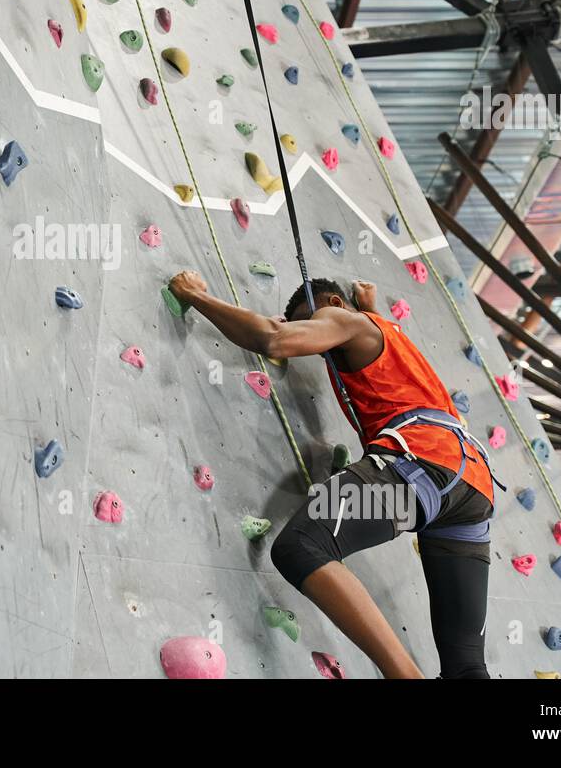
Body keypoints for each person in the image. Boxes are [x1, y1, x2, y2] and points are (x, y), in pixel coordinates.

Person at [166, 271, 498, 679]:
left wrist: (198, 296)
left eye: (314, 319)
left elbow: (271, 338)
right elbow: (382, 358)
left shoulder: (345, 322)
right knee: (466, 665)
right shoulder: (385, 330)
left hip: (418, 467)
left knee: (302, 546)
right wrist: (369, 302)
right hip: (472, 492)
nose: (317, 336)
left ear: (335, 306)